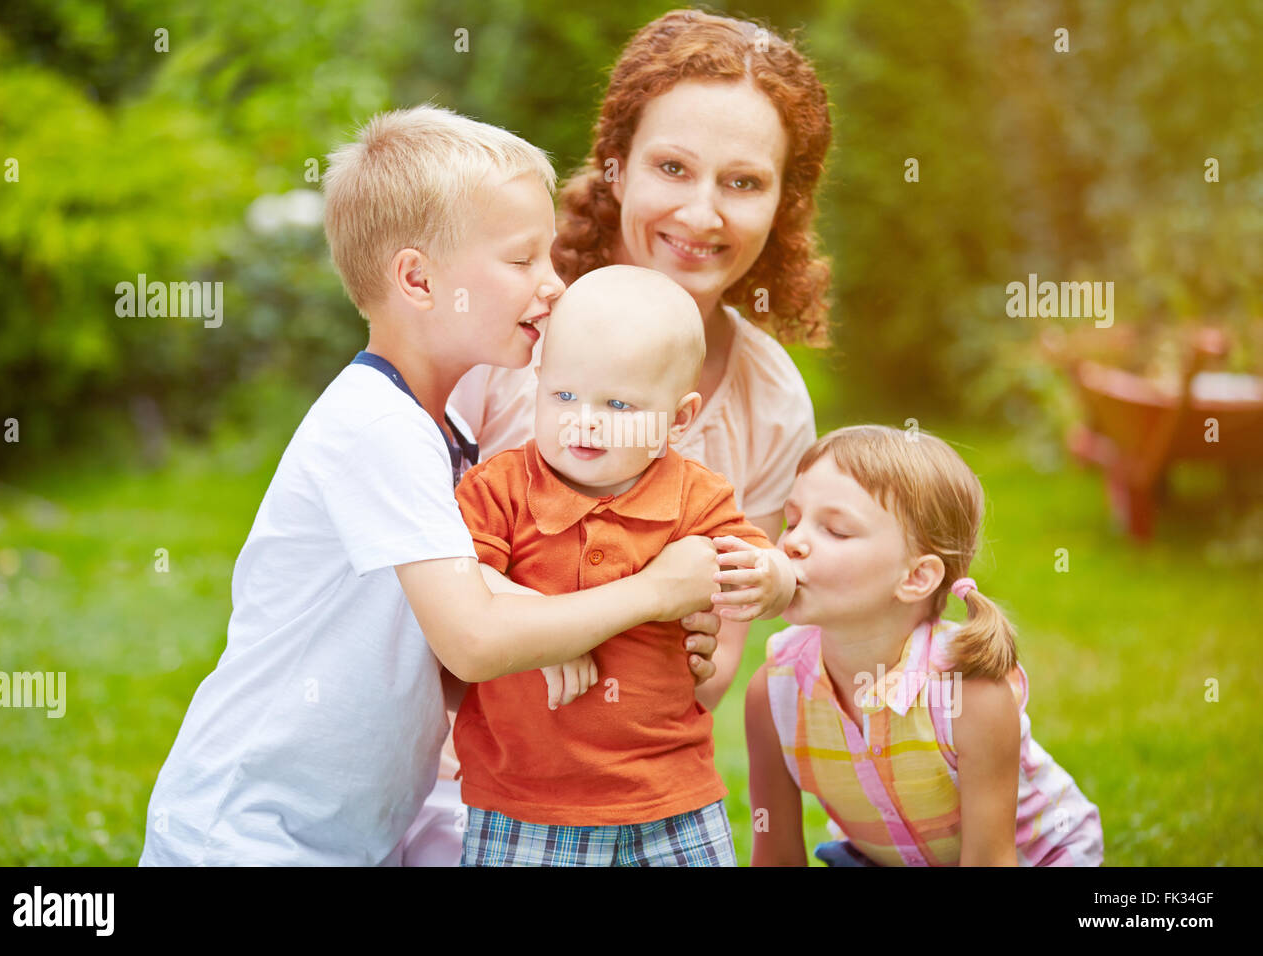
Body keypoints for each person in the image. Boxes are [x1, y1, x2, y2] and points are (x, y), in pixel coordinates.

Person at [138, 106, 722, 866]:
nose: (552, 286)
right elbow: (472, 640)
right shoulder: (375, 426)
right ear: (418, 279)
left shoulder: (435, 426)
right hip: (245, 836)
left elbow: (460, 605)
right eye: (521, 262)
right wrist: (655, 594)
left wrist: (554, 621)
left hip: (346, 837)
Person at [416, 8, 834, 866]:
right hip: (467, 785)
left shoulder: (771, 401)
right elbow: (440, 621)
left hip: (641, 791)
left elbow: (709, 669)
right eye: (672, 167)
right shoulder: (510, 343)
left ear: (784, 201)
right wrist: (594, 619)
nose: (702, 213)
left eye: (745, 183)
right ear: (616, 168)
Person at [452, 266, 797, 866]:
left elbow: (759, 562)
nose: (583, 419)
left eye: (617, 403)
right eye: (562, 395)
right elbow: (460, 581)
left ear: (679, 418)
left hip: (671, 791)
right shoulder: (502, 488)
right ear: (537, 382)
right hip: (526, 799)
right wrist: (539, 624)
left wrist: (773, 579)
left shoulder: (696, 497)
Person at [744, 425, 1104, 866]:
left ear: (916, 577)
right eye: (793, 520)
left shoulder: (970, 695)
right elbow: (775, 855)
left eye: (835, 530)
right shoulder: (773, 693)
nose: (792, 542)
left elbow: (990, 862)